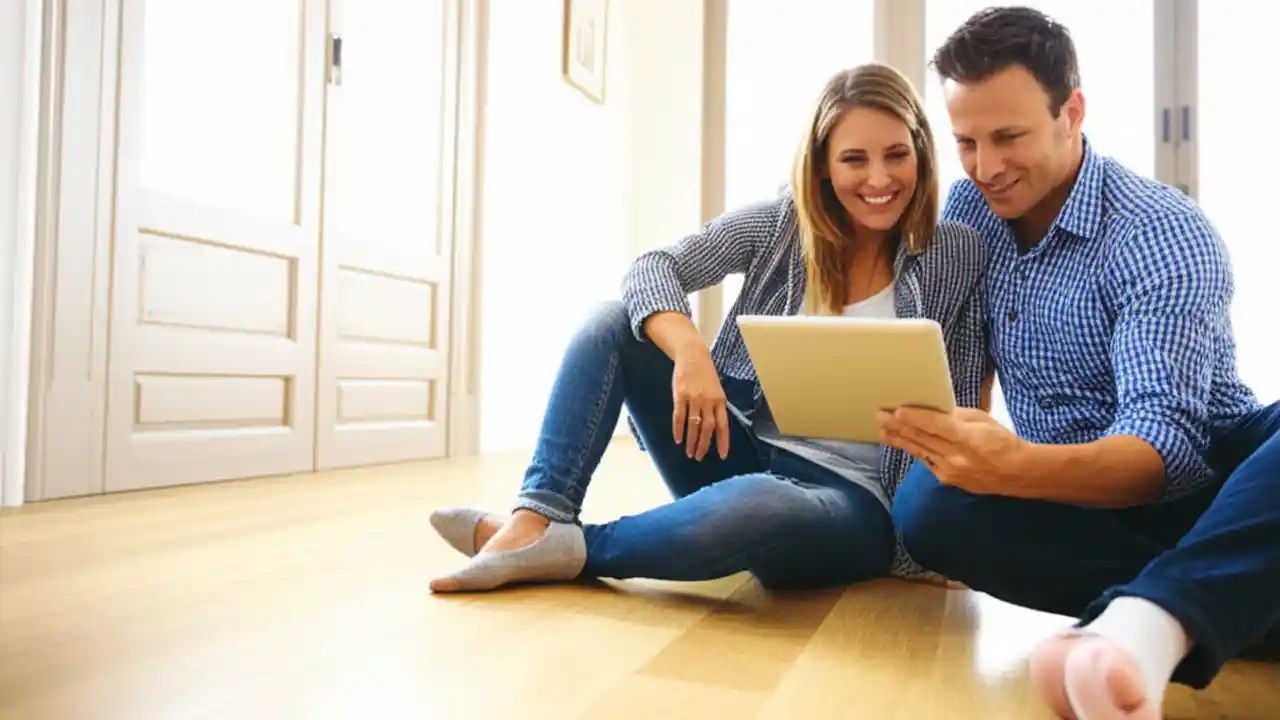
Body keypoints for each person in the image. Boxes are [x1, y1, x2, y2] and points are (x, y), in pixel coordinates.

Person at [426, 63, 989, 594]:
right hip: (739, 447)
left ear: (921, 151)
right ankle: (538, 515)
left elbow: (962, 392)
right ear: (822, 165)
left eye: (897, 154)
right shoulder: (781, 225)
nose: (879, 179)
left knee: (760, 502)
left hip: (856, 503)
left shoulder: (955, 253)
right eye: (854, 160)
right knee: (611, 322)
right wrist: (691, 350)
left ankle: (553, 549)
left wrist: (937, 544)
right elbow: (653, 267)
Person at [875, 7, 1280, 719]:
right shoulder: (967, 211)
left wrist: (1013, 466)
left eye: (1009, 137)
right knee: (927, 506)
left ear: (1072, 111)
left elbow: (1170, 454)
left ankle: (1151, 622)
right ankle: (1222, 598)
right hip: (1072, 506)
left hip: (1216, 488)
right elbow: (954, 364)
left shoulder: (1159, 232)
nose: (986, 167)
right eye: (966, 141)